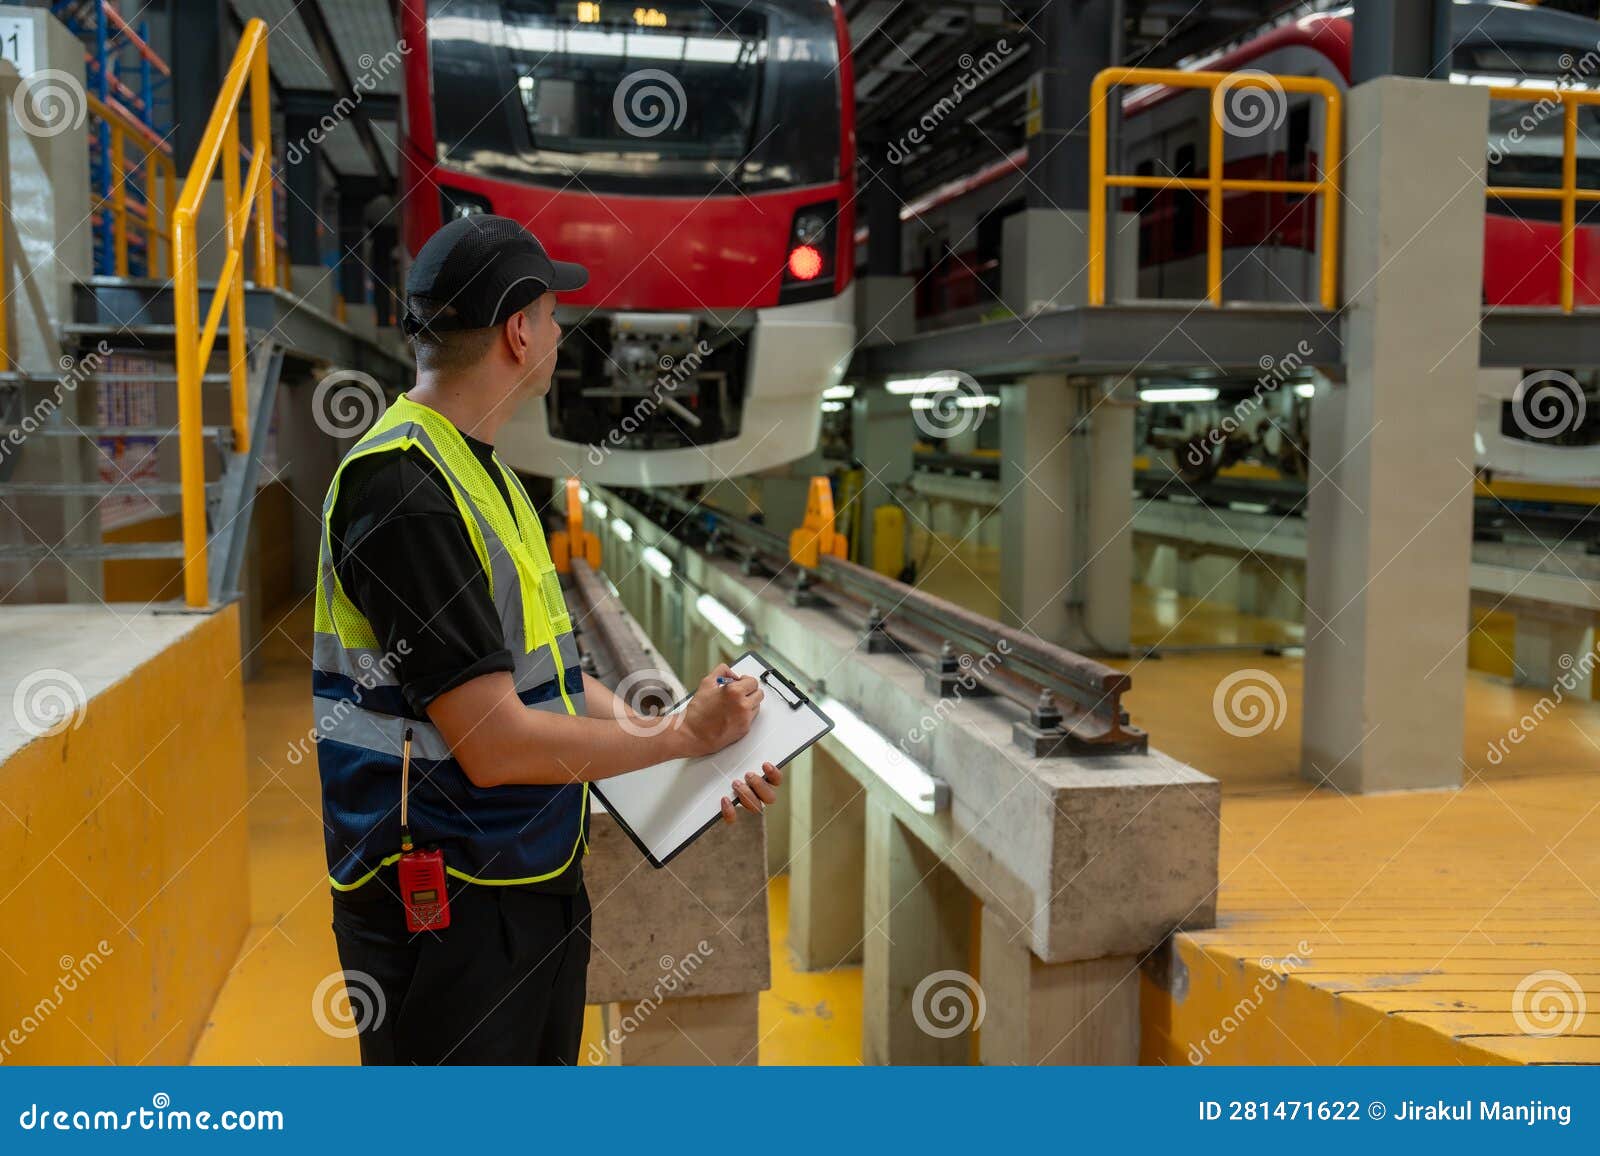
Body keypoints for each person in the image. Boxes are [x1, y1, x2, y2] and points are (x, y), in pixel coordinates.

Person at [311, 214, 782, 1066]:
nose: (562, 332)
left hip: (526, 878)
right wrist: (679, 737)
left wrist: (692, 744)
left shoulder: (482, 472)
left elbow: (554, 680)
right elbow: (492, 743)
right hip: (446, 903)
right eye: (554, 313)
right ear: (518, 331)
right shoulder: (403, 490)